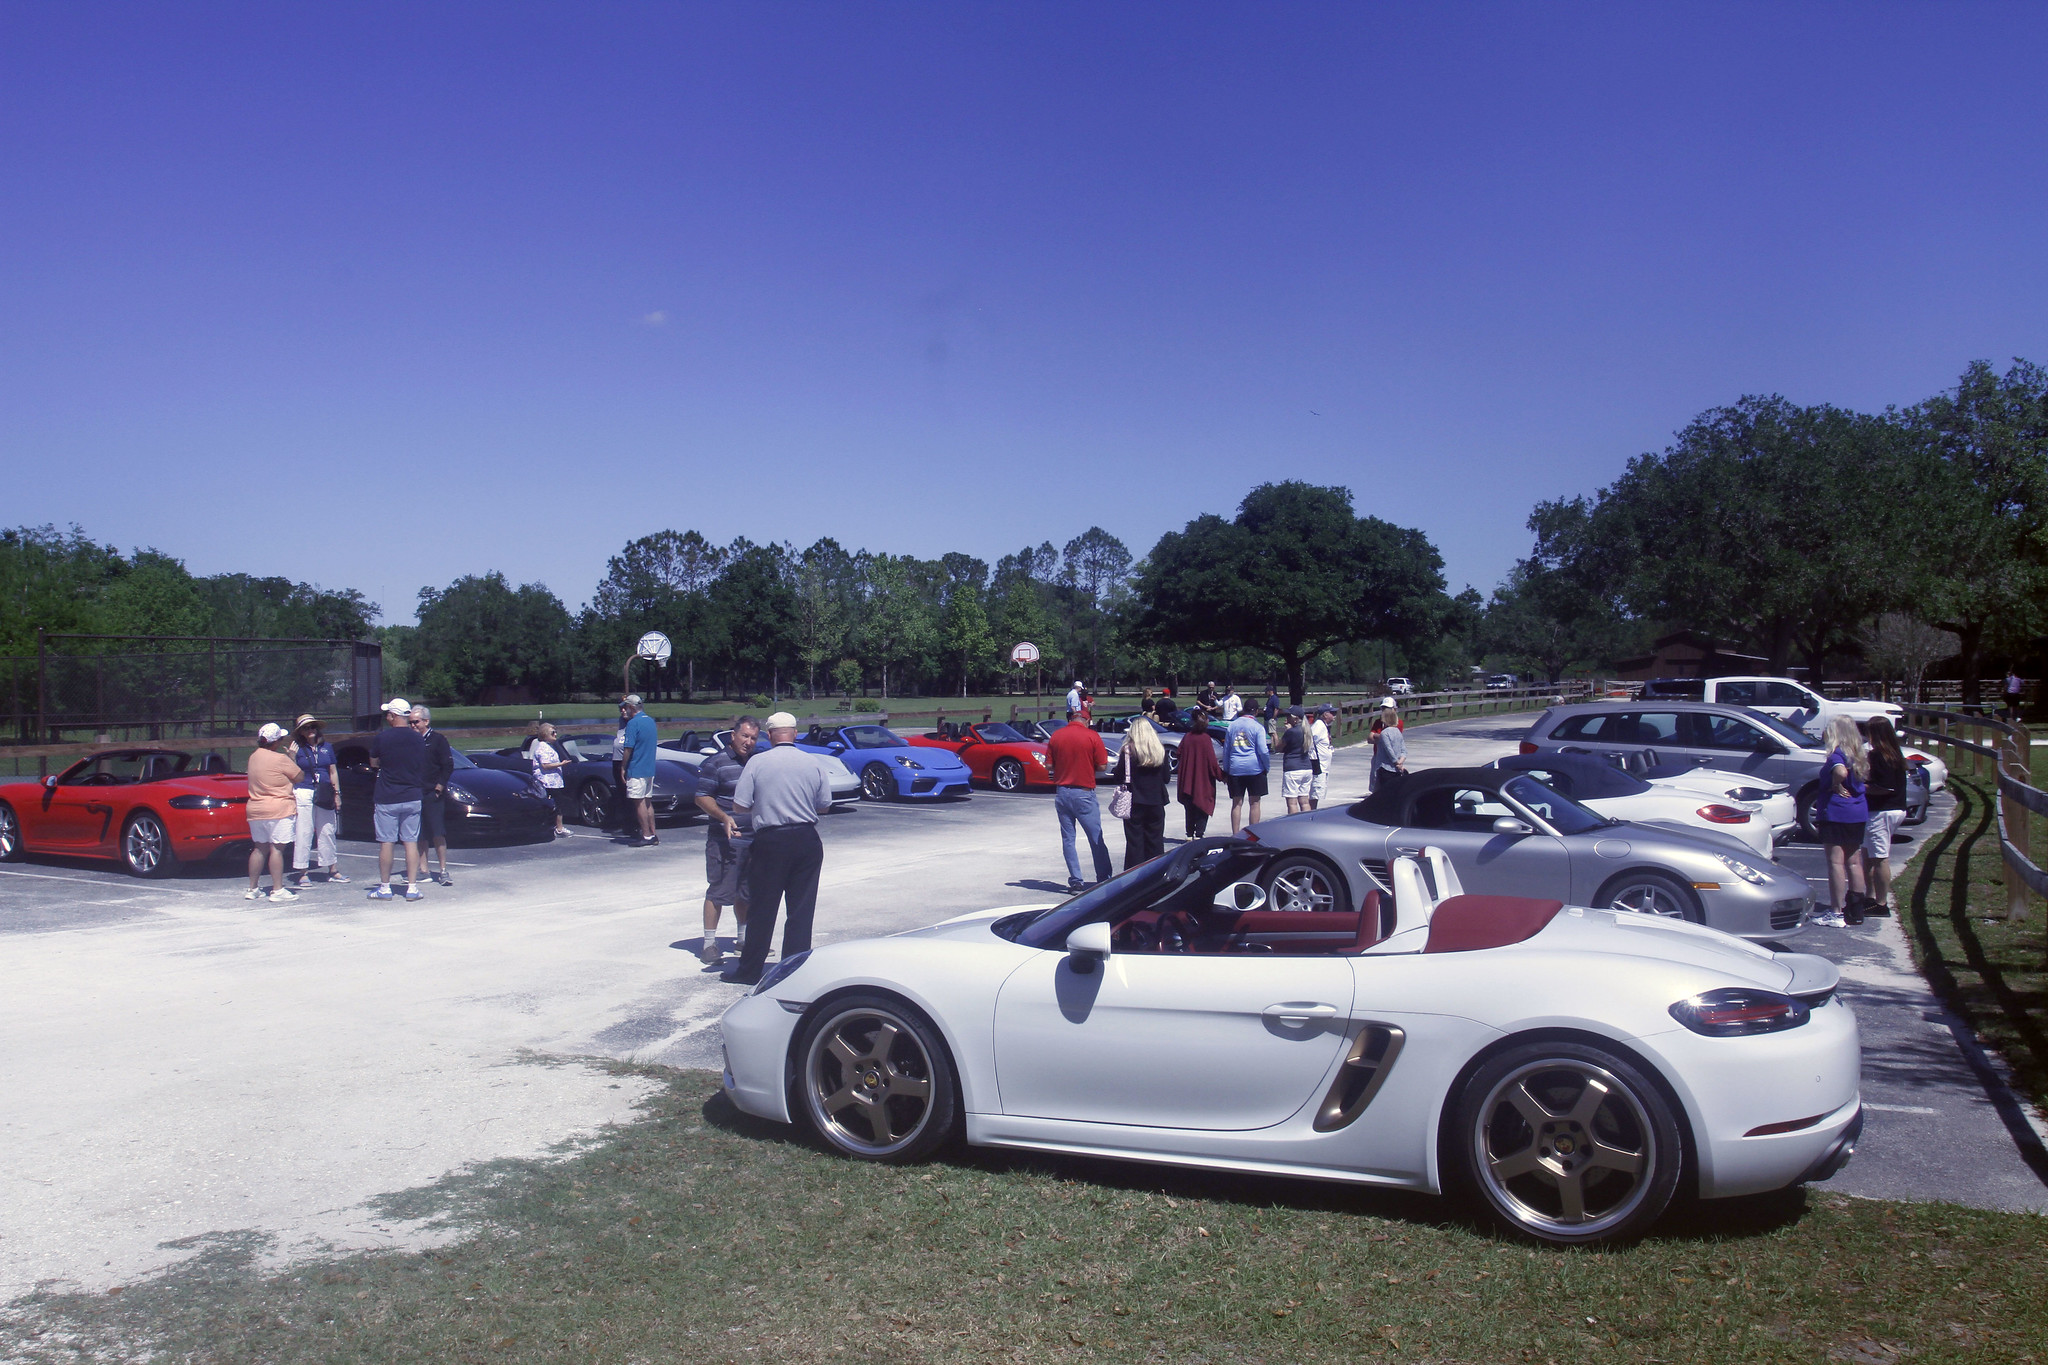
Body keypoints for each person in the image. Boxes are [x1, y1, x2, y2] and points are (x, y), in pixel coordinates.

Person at [722, 712, 833, 986]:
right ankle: (793, 970)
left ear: (770, 735)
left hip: (771, 839)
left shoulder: (758, 762)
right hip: (807, 839)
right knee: (800, 910)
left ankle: (749, 971)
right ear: (795, 733)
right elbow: (824, 804)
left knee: (762, 908)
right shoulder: (812, 762)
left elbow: (740, 806)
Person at [695, 716, 759, 965]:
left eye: (753, 738)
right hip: (724, 841)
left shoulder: (756, 762)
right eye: (744, 736)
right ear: (733, 735)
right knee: (719, 890)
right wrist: (723, 817)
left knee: (746, 892)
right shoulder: (716, 763)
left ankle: (743, 941)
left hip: (753, 840)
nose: (748, 742)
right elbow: (701, 797)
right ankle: (709, 945)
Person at [1047, 705, 1114, 891]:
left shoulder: (1056, 736)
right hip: (1083, 792)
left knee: (1068, 839)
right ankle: (1104, 878)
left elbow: (1049, 766)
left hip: (1062, 792)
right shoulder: (1092, 736)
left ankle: (1076, 880)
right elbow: (1102, 766)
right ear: (1087, 720)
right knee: (1095, 837)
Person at [1814, 714, 1872, 927]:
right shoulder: (1858, 755)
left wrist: (1836, 784)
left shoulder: (1836, 756)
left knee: (1836, 862)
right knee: (1854, 861)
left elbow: (1839, 771)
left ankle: (1836, 911)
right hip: (1857, 812)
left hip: (1837, 812)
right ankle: (1856, 910)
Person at [368, 697, 426, 901]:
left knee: (387, 842)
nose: (387, 718)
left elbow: (374, 761)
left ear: (393, 716)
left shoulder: (382, 738)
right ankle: (412, 887)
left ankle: (385, 887)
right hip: (412, 795)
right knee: (411, 842)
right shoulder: (418, 738)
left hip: (388, 796)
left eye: (388, 715)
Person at [245, 722, 301, 902]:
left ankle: (252, 888)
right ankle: (278, 890)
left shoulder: (253, 757)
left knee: (259, 848)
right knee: (277, 849)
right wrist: (292, 757)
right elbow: (299, 776)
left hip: (256, 809)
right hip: (279, 808)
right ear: (276, 742)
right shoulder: (280, 759)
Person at [286, 714, 344, 888]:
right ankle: (302, 871)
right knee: (304, 831)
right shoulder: (298, 748)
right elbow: (291, 772)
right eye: (305, 728)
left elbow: (332, 771)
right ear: (300, 732)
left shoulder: (327, 747)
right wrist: (290, 756)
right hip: (304, 790)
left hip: (325, 791)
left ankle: (332, 869)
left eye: (312, 727)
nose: (310, 730)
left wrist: (337, 793)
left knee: (327, 830)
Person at [1863, 717, 1909, 917]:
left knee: (1880, 858)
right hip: (1895, 809)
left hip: (1882, 811)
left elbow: (1883, 788)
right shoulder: (1895, 754)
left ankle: (1881, 904)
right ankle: (1870, 898)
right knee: (1870, 856)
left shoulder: (1879, 756)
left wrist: (1859, 787)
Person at [1117, 717, 1170, 868]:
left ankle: (1134, 877)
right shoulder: (1160, 750)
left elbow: (1118, 777)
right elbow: (1166, 778)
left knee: (1135, 843)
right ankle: (1156, 873)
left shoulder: (1128, 751)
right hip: (1156, 801)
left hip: (1134, 801)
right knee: (1155, 841)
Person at [410, 705, 454, 885]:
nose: (412, 725)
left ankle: (443, 870)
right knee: (419, 833)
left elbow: (448, 765)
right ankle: (423, 869)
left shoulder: (438, 740)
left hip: (432, 793)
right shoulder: (410, 741)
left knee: (437, 832)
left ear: (426, 721)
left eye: (416, 722)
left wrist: (439, 786)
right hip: (415, 792)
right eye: (410, 722)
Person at [1223, 702, 1271, 833]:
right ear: (1256, 712)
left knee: (1236, 803)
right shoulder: (1258, 727)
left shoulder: (1232, 726)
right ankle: (1253, 833)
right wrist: (1266, 766)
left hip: (1235, 767)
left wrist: (1226, 770)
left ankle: (1236, 833)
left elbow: (1226, 750)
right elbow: (1263, 750)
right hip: (1254, 768)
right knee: (1254, 803)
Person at [1175, 712, 1223, 839]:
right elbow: (1212, 761)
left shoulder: (1187, 737)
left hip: (1188, 779)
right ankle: (1199, 834)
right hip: (1202, 780)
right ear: (1205, 721)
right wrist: (1221, 775)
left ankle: (1189, 834)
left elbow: (1178, 754)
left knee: (1189, 809)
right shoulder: (1205, 738)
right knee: (1202, 806)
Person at [620, 693, 660, 846]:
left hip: (636, 768)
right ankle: (653, 832)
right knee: (648, 802)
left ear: (631, 707)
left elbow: (628, 749)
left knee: (639, 803)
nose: (625, 711)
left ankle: (646, 835)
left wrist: (623, 767)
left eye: (626, 707)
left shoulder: (632, 724)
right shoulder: (650, 721)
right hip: (649, 768)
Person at [527, 721, 570, 838]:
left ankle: (557, 827)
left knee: (558, 804)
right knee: (553, 805)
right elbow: (545, 765)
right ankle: (557, 828)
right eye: (553, 732)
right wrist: (561, 764)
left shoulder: (549, 747)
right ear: (545, 734)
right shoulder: (542, 748)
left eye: (556, 732)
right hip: (547, 782)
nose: (555, 734)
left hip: (554, 781)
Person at [1279, 706, 1314, 814]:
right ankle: (1306, 823)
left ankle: (1293, 824)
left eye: (1288, 716)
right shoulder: (1307, 730)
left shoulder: (1291, 732)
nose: (1287, 718)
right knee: (1304, 801)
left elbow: (1279, 747)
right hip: (1306, 767)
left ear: (1295, 718)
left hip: (1293, 768)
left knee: (1292, 803)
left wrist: (1276, 735)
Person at [1370, 699, 1407, 792]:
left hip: (1387, 765)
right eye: (1383, 708)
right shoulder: (1381, 725)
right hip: (1391, 763)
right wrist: (1399, 762)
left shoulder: (1387, 732)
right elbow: (1370, 739)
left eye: (1387, 709)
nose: (1384, 711)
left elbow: (1389, 748)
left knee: (1383, 790)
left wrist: (1397, 763)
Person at [1309, 703, 1338, 809]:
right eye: (1332, 713)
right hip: (1318, 767)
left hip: (1324, 767)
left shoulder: (1324, 726)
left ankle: (1312, 812)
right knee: (1314, 794)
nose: (1334, 716)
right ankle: (1309, 814)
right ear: (1325, 714)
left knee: (1317, 794)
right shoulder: (1318, 726)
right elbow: (1309, 742)